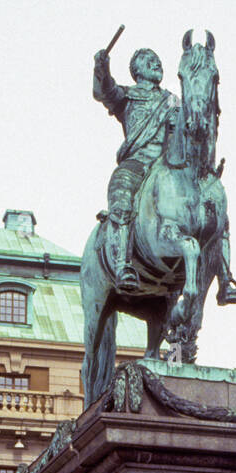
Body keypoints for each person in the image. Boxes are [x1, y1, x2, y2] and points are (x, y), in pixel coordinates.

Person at [92, 45, 180, 292]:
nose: (157, 63)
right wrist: (101, 67)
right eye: (149, 60)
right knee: (120, 197)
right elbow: (103, 91)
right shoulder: (127, 97)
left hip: (168, 170)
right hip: (137, 165)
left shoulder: (173, 101)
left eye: (159, 60)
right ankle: (122, 265)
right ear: (136, 70)